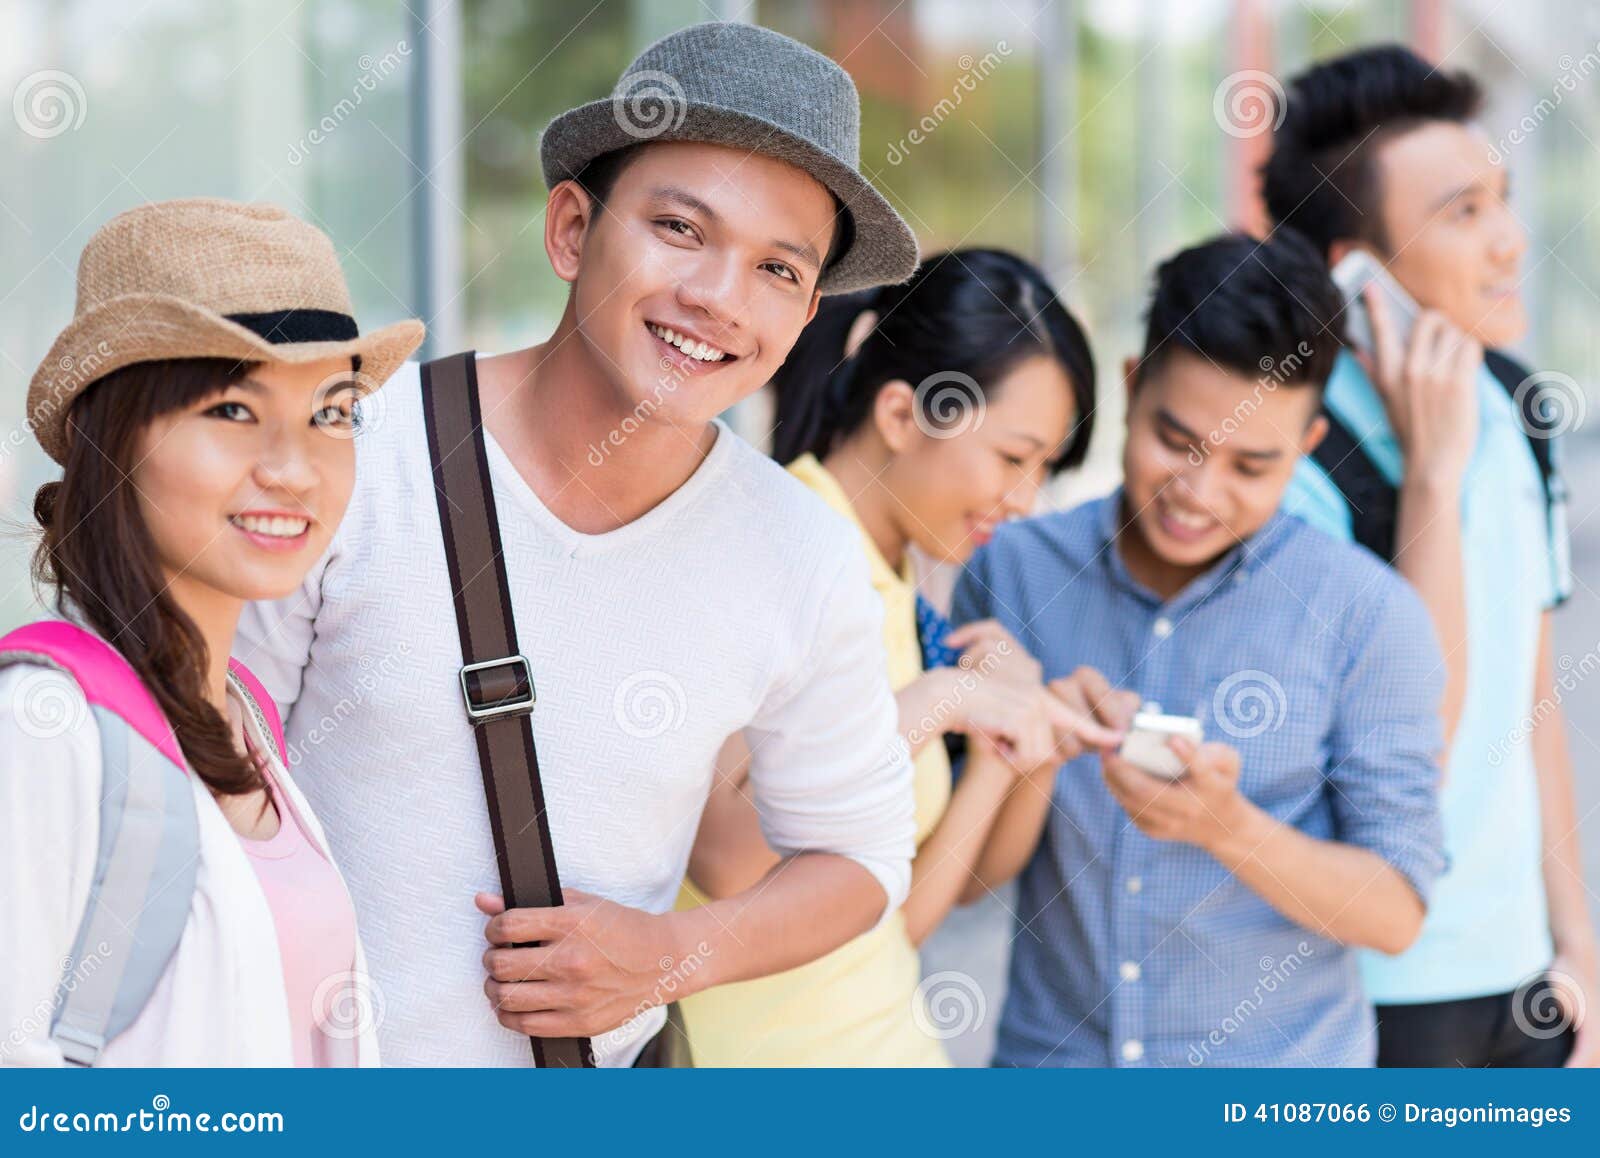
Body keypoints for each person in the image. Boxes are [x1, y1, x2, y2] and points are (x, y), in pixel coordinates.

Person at [234, 21, 922, 1067]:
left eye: (779, 270)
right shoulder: (357, 455)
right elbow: (208, 773)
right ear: (569, 229)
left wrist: (669, 957)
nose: (717, 298)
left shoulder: (799, 551)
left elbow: (862, 856)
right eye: (681, 229)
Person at [951, 231, 1448, 1067]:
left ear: (1308, 446)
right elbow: (958, 880)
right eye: (1176, 444)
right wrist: (1023, 752)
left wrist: (1230, 829)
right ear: (1132, 386)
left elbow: (1395, 912)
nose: (1199, 494)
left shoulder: (1369, 616)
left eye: (1252, 467)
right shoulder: (1012, 571)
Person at [0, 198, 424, 1066]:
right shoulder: (43, 732)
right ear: (106, 433)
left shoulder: (244, 715)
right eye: (232, 409)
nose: (295, 468)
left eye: (332, 412)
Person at [678, 248, 1113, 1065]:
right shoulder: (784, 544)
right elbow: (728, 858)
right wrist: (944, 699)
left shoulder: (892, 579)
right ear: (903, 416)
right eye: (1014, 458)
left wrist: (1018, 744)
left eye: (1045, 469)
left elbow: (892, 923)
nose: (1024, 500)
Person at [1264, 45, 1595, 1067]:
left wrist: (1576, 945)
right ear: (1355, 273)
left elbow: (1533, 696)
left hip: (1526, 977)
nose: (1507, 242)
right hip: (1370, 992)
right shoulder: (1296, 461)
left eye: (1498, 202)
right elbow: (1410, 728)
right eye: (1462, 213)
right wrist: (1430, 483)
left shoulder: (1517, 405)